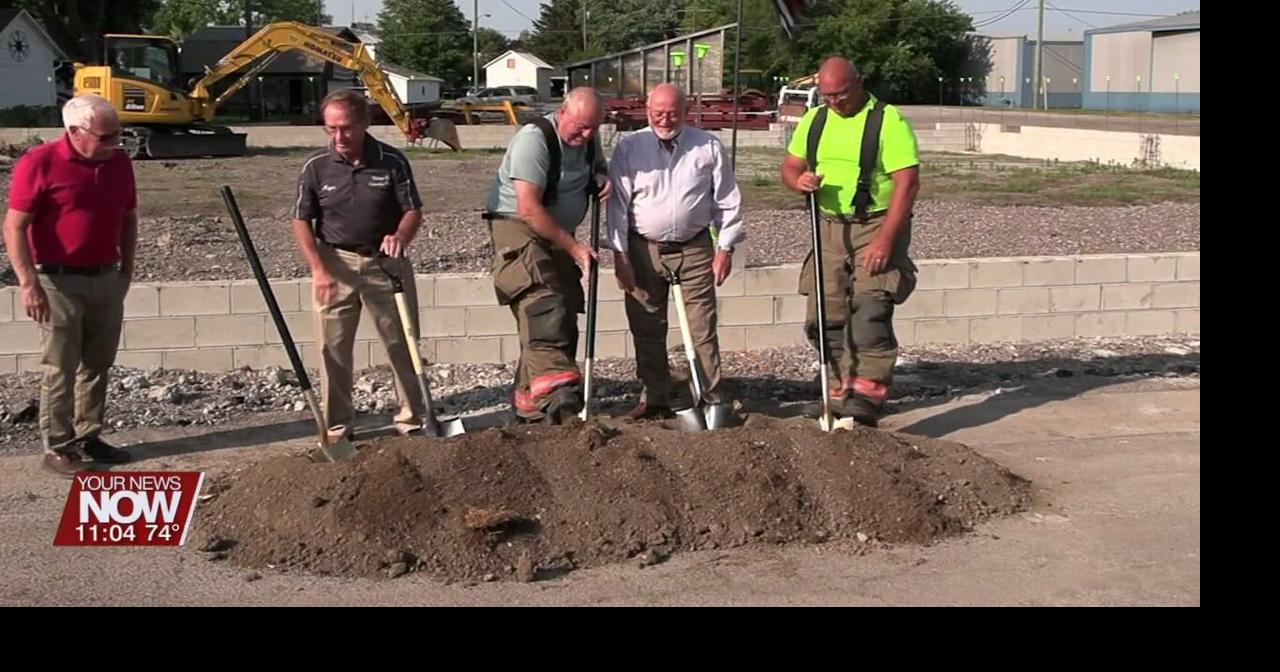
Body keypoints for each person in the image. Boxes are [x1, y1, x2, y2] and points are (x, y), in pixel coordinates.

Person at [779, 56, 921, 426]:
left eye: (840, 94)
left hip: (874, 223)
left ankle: (867, 392)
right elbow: (791, 166)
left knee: (871, 308)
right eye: (826, 96)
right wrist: (798, 181)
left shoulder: (888, 121)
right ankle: (837, 386)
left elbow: (907, 183)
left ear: (858, 82)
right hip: (828, 226)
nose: (834, 102)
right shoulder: (815, 120)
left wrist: (887, 240)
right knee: (825, 313)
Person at [3, 94, 136, 476]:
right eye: (106, 136)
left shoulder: (120, 164)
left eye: (118, 135)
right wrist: (28, 283)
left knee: (99, 361)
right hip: (56, 279)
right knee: (61, 365)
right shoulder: (39, 163)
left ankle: (89, 435)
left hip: (106, 276)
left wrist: (126, 271)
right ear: (75, 132)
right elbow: (15, 226)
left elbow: (128, 218)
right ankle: (57, 445)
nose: (114, 143)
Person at [291, 89, 426, 441]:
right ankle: (338, 427)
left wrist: (401, 236)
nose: (339, 137)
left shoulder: (391, 161)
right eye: (331, 129)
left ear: (365, 123)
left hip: (386, 264)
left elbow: (413, 210)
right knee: (331, 349)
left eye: (347, 128)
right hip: (335, 264)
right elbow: (301, 220)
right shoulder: (315, 168)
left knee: (402, 343)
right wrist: (318, 268)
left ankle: (411, 420)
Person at [606, 83, 744, 419]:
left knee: (702, 327)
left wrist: (725, 247)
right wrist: (619, 256)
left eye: (671, 113)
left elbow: (726, 199)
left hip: (695, 247)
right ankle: (655, 397)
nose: (664, 119)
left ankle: (711, 396)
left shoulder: (707, 145)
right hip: (643, 249)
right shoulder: (629, 148)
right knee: (647, 326)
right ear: (647, 110)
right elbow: (618, 207)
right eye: (657, 113)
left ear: (686, 110)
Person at [483, 87, 609, 423]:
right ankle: (557, 392)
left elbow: (597, 167)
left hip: (556, 233)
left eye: (594, 128)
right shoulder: (534, 139)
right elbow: (529, 208)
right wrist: (574, 248)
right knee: (543, 301)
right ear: (563, 111)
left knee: (566, 307)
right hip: (518, 226)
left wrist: (601, 176)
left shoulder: (588, 139)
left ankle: (529, 399)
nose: (587, 135)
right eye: (581, 127)